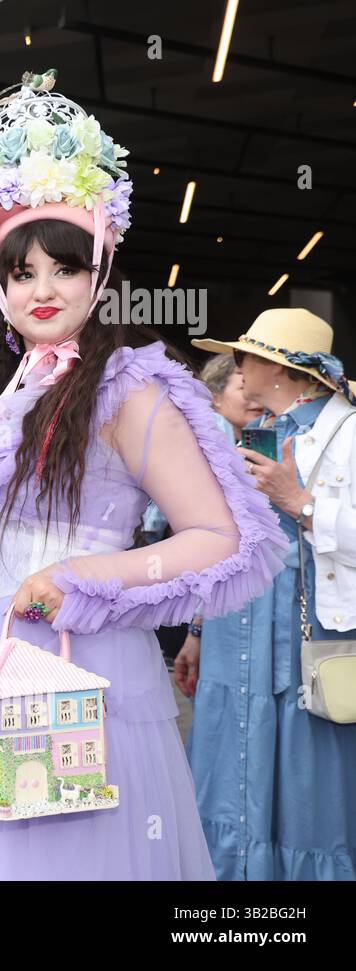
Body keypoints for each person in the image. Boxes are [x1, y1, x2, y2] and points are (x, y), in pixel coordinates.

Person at [0, 70, 287, 879]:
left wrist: (83, 573)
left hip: (88, 674)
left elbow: (227, 536)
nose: (42, 290)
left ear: (99, 269)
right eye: (21, 272)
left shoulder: (131, 390)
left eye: (64, 267)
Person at [184, 309, 356, 879]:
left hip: (308, 639)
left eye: (243, 357)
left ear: (274, 368)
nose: (235, 369)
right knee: (232, 770)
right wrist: (200, 628)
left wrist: (302, 503)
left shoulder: (348, 433)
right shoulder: (265, 432)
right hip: (239, 632)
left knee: (309, 785)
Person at [173, 353, 264, 691]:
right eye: (244, 387)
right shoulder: (213, 445)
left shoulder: (252, 446)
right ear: (215, 396)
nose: (257, 398)